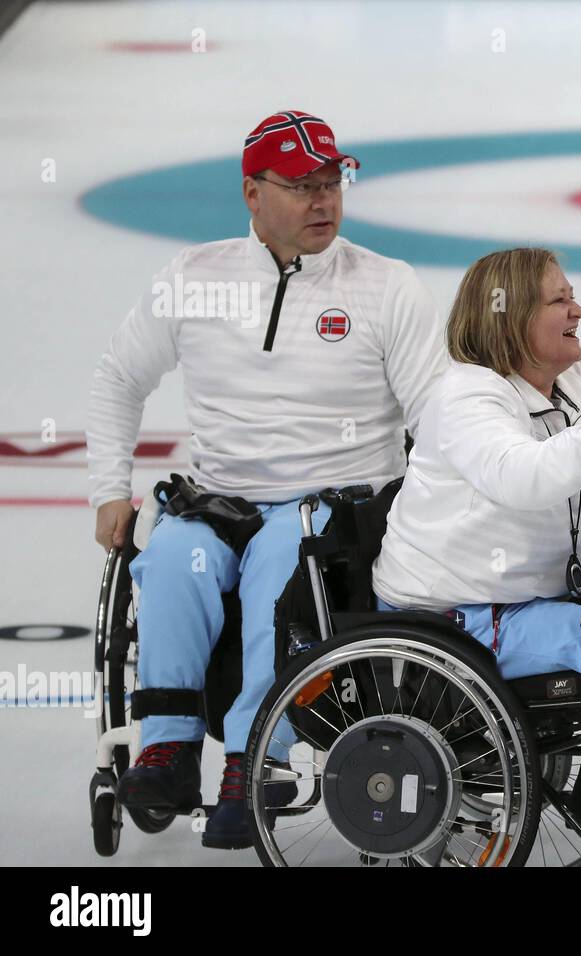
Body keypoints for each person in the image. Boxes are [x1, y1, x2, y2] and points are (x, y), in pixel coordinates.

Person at [87, 111, 443, 849]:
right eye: (302, 186)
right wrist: (107, 489)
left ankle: (255, 758)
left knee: (282, 564)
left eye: (331, 182)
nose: (324, 200)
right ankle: (168, 745)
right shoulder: (194, 279)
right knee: (173, 559)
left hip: (335, 505)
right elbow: (119, 379)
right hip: (222, 500)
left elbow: (437, 410)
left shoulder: (385, 286)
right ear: (252, 194)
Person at [372, 248, 581, 717]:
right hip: (453, 619)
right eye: (559, 301)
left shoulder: (579, 376)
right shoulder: (467, 397)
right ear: (513, 318)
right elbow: (520, 477)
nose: (578, 311)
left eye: (574, 297)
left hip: (528, 595)